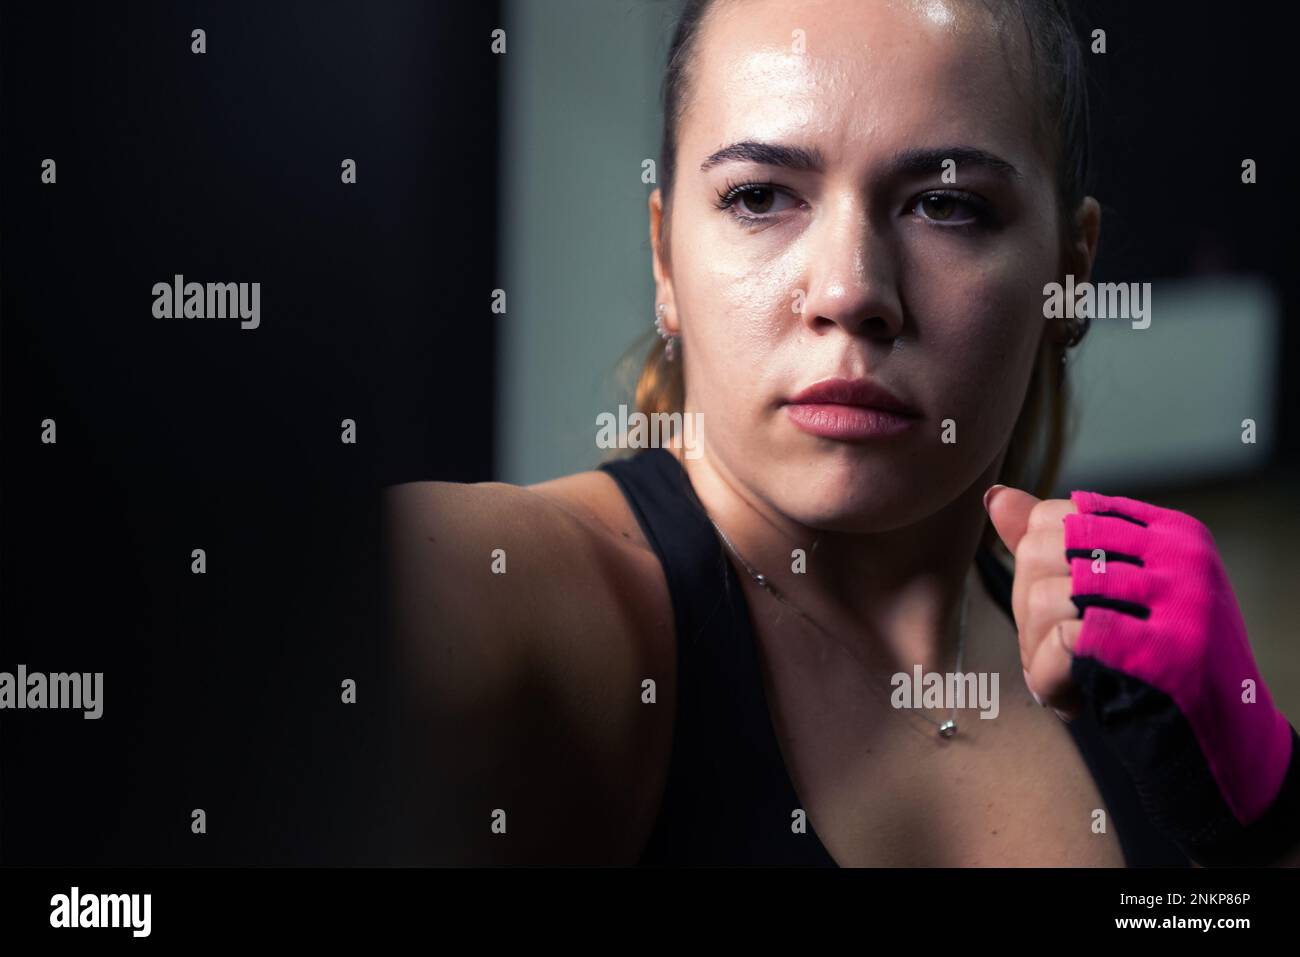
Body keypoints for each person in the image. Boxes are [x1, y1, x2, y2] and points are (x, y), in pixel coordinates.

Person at [384, 0, 1300, 866]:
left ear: (1071, 270)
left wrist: (1265, 828)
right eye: (760, 197)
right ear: (664, 257)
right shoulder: (549, 593)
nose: (850, 289)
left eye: (946, 204)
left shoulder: (1115, 685)